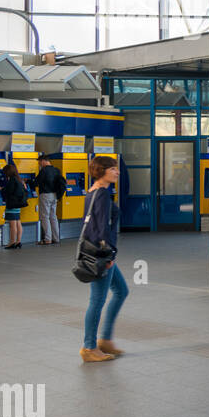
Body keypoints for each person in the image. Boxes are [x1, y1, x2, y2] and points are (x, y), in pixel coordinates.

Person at [81, 155, 126, 363]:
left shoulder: (94, 191)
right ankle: (89, 347)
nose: (117, 172)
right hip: (101, 254)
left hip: (99, 252)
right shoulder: (100, 194)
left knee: (121, 291)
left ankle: (105, 340)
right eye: (113, 169)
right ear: (102, 171)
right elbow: (101, 229)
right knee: (97, 300)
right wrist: (108, 254)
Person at [33, 153, 67, 245]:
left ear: (43, 161)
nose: (39, 164)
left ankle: (47, 239)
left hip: (45, 195)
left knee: (45, 217)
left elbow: (36, 183)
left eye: (40, 162)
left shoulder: (44, 171)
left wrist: (28, 182)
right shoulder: (56, 170)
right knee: (53, 216)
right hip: (55, 195)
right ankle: (56, 238)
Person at [0, 162, 28, 249]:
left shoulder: (12, 181)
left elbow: (9, 192)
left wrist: (1, 189)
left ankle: (12, 242)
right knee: (18, 223)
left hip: (12, 204)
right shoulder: (19, 179)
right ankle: (18, 241)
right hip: (18, 204)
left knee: (12, 225)